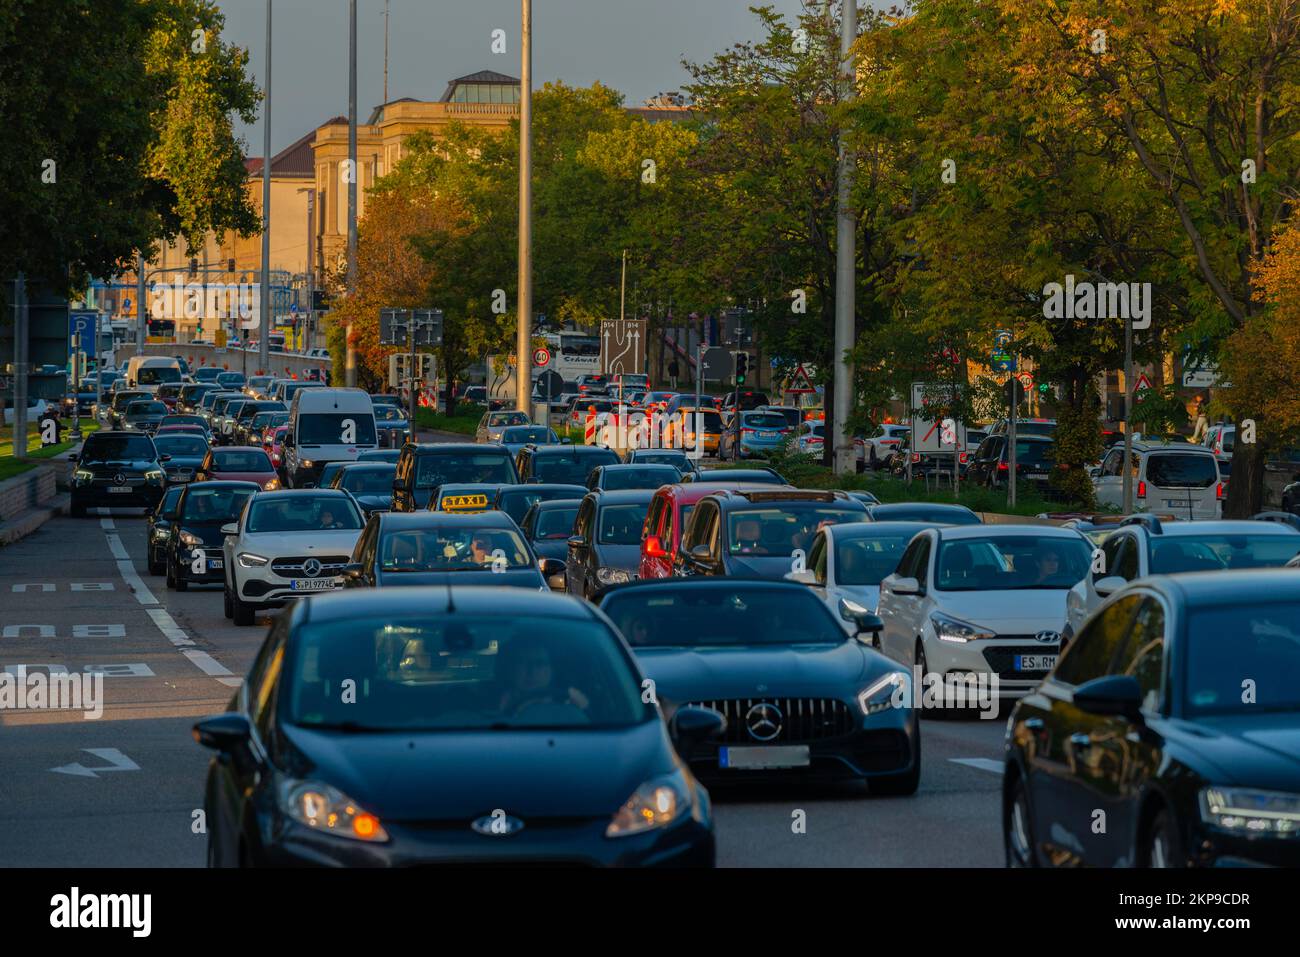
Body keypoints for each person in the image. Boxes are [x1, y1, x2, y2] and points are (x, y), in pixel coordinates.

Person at [497, 643, 589, 715]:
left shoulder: (568, 701)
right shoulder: (491, 701)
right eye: (522, 662)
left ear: (552, 670)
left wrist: (582, 708)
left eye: (539, 663)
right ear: (511, 668)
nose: (531, 670)